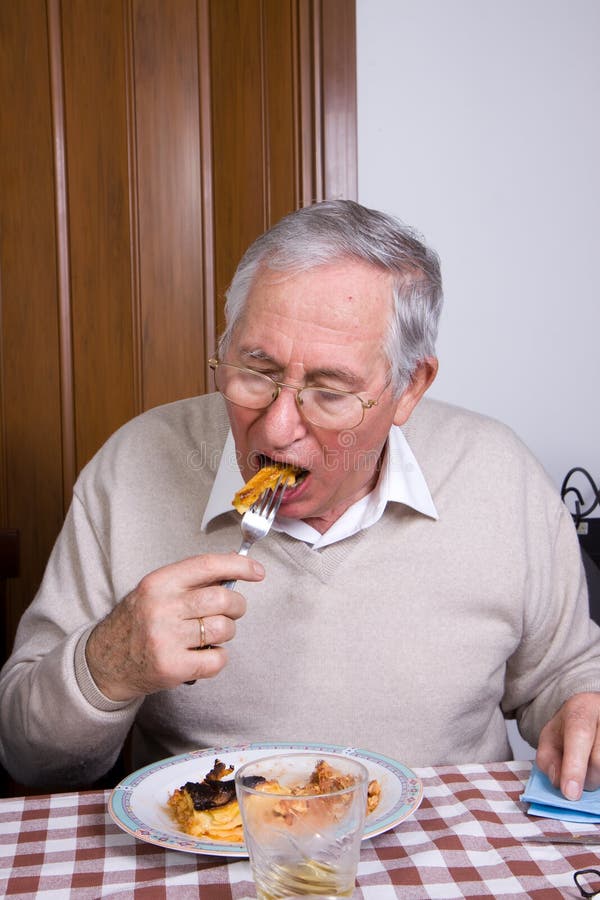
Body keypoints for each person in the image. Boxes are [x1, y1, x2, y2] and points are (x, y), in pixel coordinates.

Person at [1, 200, 599, 801]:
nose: (278, 427)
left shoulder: (500, 474)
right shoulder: (130, 467)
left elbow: (565, 675)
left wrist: (583, 709)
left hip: (443, 855)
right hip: (212, 855)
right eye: (256, 371)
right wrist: (110, 664)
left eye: (330, 390)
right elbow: (29, 758)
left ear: (408, 387)